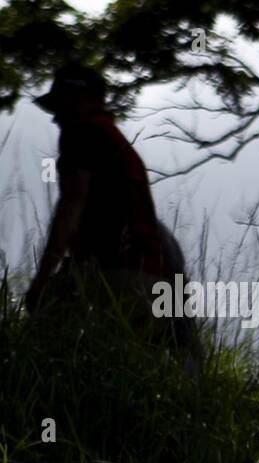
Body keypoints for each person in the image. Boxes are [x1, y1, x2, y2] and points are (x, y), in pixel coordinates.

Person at [26, 65, 183, 353]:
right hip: (154, 289)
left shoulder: (82, 132)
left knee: (37, 349)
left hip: (115, 279)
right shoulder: (119, 144)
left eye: (61, 105)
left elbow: (70, 207)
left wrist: (42, 280)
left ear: (82, 99)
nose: (57, 118)